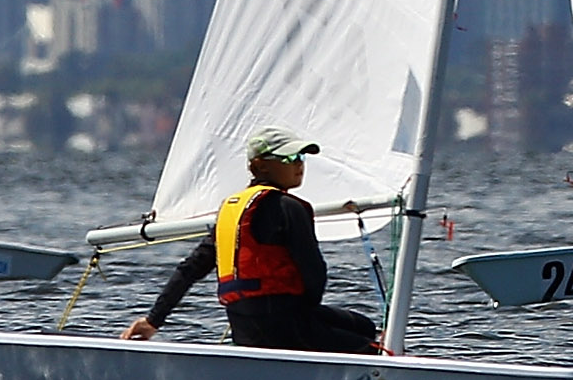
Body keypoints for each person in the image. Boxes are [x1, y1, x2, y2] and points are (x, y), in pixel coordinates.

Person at [122, 127, 380, 353]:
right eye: (289, 158)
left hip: (244, 328)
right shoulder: (290, 207)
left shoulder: (230, 211)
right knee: (368, 343)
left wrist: (153, 320)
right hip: (288, 327)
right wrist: (309, 316)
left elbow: (190, 269)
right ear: (259, 165)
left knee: (362, 326)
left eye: (301, 157)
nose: (299, 164)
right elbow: (314, 274)